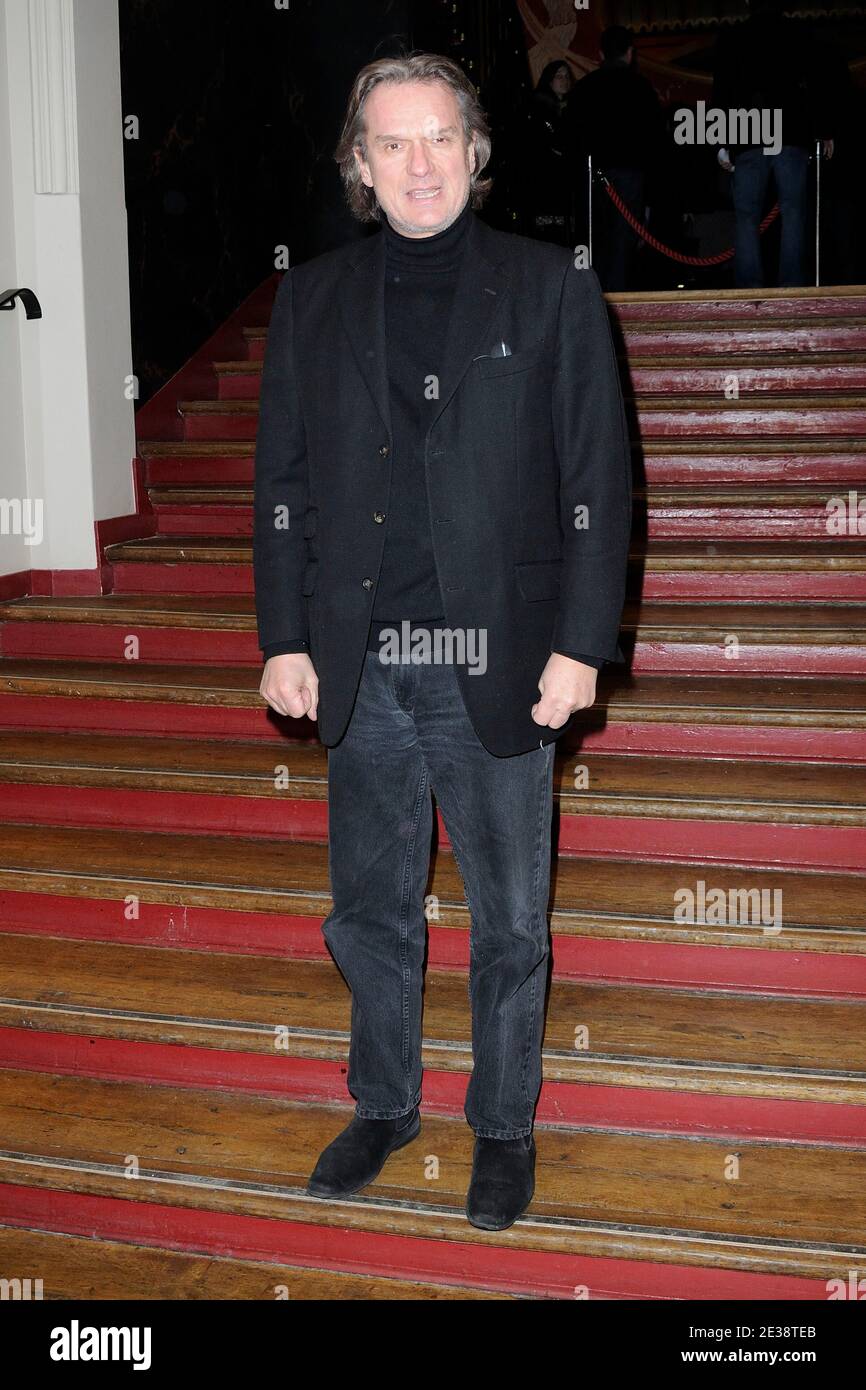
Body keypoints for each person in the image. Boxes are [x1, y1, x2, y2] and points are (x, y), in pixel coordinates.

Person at [253, 52, 631, 1231]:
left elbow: (599, 482)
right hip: (359, 664)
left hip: (502, 659)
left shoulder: (551, 290)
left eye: (438, 138)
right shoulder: (309, 299)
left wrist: (578, 645)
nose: (418, 163)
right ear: (359, 167)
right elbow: (284, 485)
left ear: (474, 150)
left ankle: (503, 1124)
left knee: (509, 922)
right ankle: (383, 1103)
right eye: (390, 143)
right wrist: (283, 634)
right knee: (369, 911)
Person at [713, 0, 833, 288]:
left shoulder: (732, 37)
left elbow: (723, 91)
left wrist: (721, 142)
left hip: (748, 132)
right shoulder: (799, 34)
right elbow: (816, 84)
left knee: (746, 217)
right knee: (793, 212)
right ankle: (792, 287)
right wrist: (824, 129)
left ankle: (748, 289)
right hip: (790, 132)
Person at [567, 25, 665, 290]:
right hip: (630, 174)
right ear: (630, 53)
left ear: (600, 53)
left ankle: (594, 299)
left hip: (593, 175)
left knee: (595, 239)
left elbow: (571, 136)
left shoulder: (584, 87)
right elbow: (656, 140)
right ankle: (619, 299)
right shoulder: (641, 87)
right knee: (624, 243)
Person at [520, 60, 575, 244]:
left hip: (566, 179)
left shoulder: (572, 108)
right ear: (549, 80)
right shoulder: (538, 108)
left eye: (567, 76)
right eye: (559, 76)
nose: (564, 80)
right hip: (544, 179)